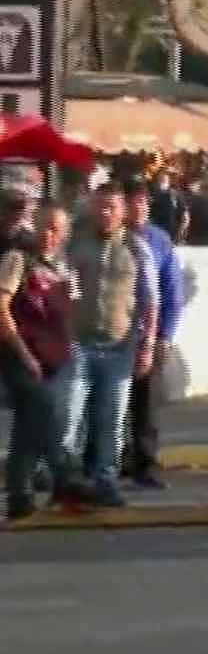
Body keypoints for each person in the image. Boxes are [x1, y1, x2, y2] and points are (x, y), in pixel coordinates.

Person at [58, 184, 157, 509]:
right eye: (100, 206)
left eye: (112, 207)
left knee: (111, 421)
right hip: (78, 346)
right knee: (69, 419)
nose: (105, 213)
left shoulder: (137, 247)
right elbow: (65, 287)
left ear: (123, 211)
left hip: (119, 347)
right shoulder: (74, 245)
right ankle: (67, 483)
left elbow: (150, 299)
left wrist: (148, 345)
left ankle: (106, 481)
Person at [1, 207, 71, 521]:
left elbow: (74, 305)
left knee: (32, 426)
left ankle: (21, 493)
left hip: (57, 357)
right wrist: (24, 354)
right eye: (44, 227)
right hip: (23, 355)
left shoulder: (63, 266)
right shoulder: (17, 260)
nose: (48, 235)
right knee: (42, 415)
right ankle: (68, 476)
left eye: (56, 229)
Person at [123, 180, 185, 490]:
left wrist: (165, 334)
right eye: (133, 202)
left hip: (148, 332)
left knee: (145, 401)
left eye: (143, 203)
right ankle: (114, 458)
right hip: (111, 332)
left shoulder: (158, 240)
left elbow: (172, 289)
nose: (139, 209)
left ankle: (144, 460)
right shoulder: (106, 237)